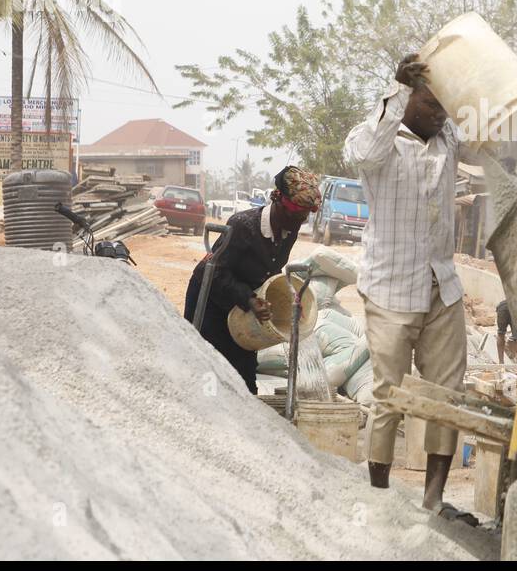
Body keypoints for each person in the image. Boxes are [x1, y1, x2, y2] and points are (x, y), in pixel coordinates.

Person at [344, 53, 477, 525]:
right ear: (407, 98)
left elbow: (491, 140)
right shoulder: (376, 139)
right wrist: (397, 90)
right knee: (388, 394)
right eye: (428, 100)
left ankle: (434, 501)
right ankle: (379, 494)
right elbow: (363, 154)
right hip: (391, 288)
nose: (439, 109)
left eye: (444, 101)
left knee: (447, 396)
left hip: (442, 287)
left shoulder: (449, 137)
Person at [183, 166, 321, 394]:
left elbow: (271, 270)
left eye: (304, 217)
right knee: (207, 368)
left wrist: (275, 300)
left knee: (245, 380)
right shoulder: (243, 226)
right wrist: (248, 299)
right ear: (278, 201)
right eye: (296, 215)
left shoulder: (289, 230)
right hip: (210, 299)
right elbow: (217, 272)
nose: (299, 222)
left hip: (245, 304)